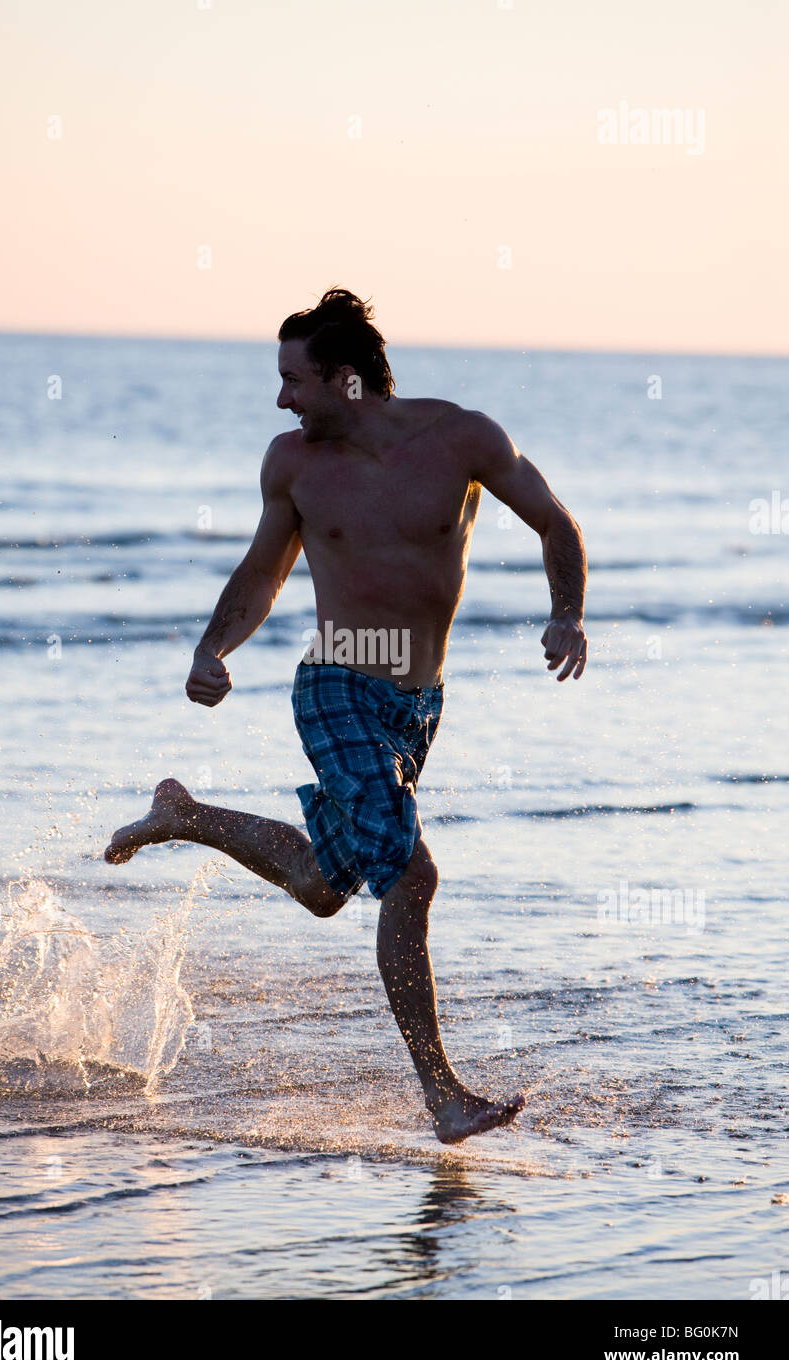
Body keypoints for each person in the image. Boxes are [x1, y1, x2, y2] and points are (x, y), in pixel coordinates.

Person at [106, 288, 588, 1143]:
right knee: (410, 873)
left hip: (417, 706)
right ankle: (443, 1096)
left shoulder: (463, 438)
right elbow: (263, 573)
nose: (282, 398)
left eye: (293, 379)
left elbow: (554, 522)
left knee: (327, 889)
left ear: (345, 379)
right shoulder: (293, 465)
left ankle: (183, 816)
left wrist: (566, 612)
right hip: (335, 686)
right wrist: (212, 651)